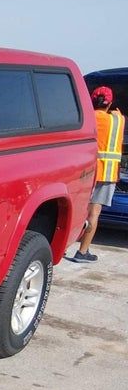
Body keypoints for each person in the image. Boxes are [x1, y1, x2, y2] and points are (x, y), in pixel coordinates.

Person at [74, 86, 125, 262]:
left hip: (84, 173)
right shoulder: (118, 120)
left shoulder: (86, 118)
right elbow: (118, 115)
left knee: (76, 211)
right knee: (94, 213)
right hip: (106, 174)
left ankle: (63, 245)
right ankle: (82, 252)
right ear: (110, 103)